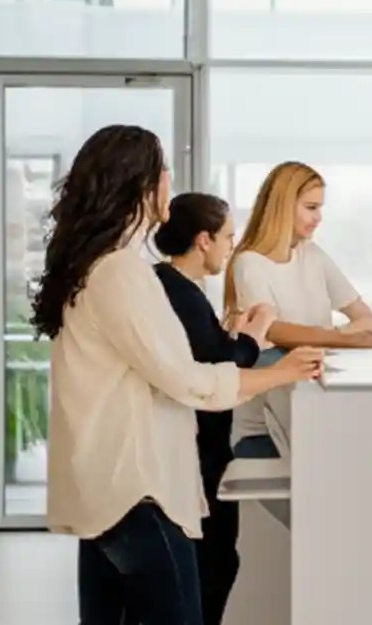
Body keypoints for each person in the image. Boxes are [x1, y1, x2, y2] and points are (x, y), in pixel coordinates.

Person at [34, 125, 322, 625]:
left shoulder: (93, 266)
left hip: (104, 489)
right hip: (136, 493)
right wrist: (283, 372)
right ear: (141, 185)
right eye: (162, 167)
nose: (170, 178)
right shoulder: (121, 272)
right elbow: (186, 380)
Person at [153, 193, 273, 625]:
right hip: (198, 452)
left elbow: (209, 351)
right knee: (216, 562)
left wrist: (233, 338)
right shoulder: (179, 293)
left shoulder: (171, 287)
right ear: (203, 240)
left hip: (199, 449)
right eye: (228, 237)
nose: (231, 247)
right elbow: (219, 362)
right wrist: (252, 337)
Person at [223, 161, 372, 460]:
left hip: (309, 409)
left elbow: (365, 318)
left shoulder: (312, 255)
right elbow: (272, 330)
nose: (319, 218)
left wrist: (334, 336)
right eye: (311, 207)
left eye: (320, 208)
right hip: (267, 427)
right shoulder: (250, 263)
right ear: (284, 206)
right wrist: (344, 339)